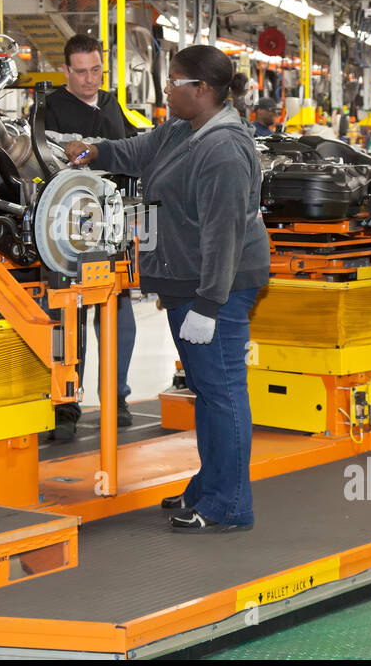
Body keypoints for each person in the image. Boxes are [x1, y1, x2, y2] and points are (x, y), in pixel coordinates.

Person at [63, 45, 270, 533]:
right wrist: (92, 151)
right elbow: (136, 152)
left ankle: (230, 505)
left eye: (173, 82)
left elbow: (225, 236)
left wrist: (208, 304)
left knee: (222, 393)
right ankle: (210, 486)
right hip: (186, 280)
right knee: (206, 390)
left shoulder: (223, 149)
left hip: (216, 286)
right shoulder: (183, 129)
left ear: (201, 90)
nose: (166, 91)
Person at [44, 34, 138, 440]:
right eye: (80, 71)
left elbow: (135, 149)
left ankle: (115, 397)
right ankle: (65, 404)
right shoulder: (49, 110)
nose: (89, 79)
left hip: (113, 226)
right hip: (66, 230)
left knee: (119, 316)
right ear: (66, 70)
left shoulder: (113, 104)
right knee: (68, 317)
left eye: (96, 70)